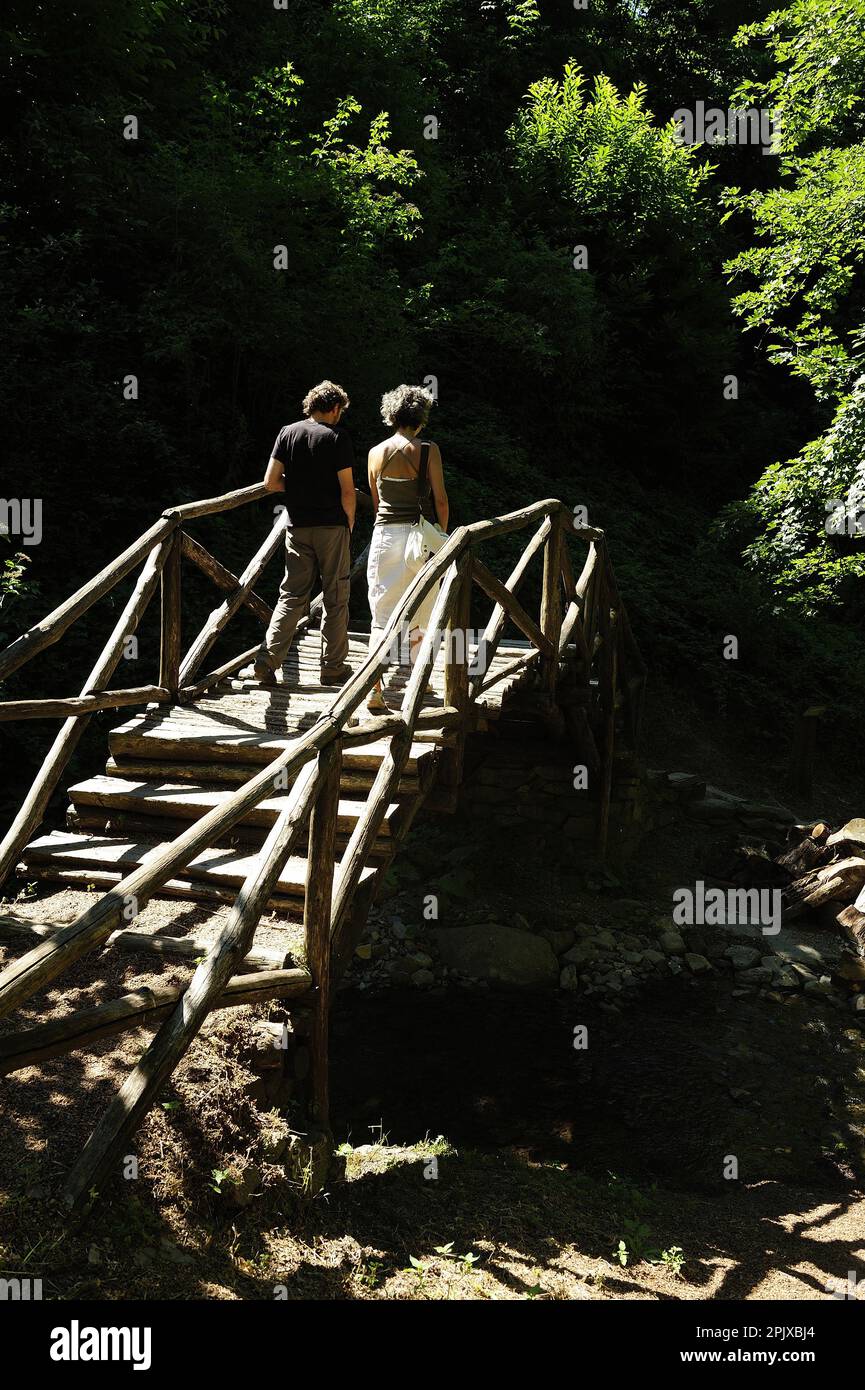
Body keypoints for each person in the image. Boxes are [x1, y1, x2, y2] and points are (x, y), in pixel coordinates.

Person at [245, 380, 356, 688]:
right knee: (335, 595)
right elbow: (348, 490)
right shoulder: (337, 438)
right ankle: (332, 667)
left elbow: (270, 482)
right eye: (340, 411)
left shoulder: (287, 432)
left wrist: (296, 488)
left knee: (291, 594)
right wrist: (350, 523)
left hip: (297, 524)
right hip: (331, 525)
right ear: (334, 408)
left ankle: (266, 660)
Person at [365, 384, 448, 711]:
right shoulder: (429, 450)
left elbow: (376, 501)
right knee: (423, 610)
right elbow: (439, 499)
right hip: (420, 538)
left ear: (392, 414)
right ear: (420, 416)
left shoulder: (375, 452)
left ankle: (373, 688)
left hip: (384, 536)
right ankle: (420, 679)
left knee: (381, 614)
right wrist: (442, 533)